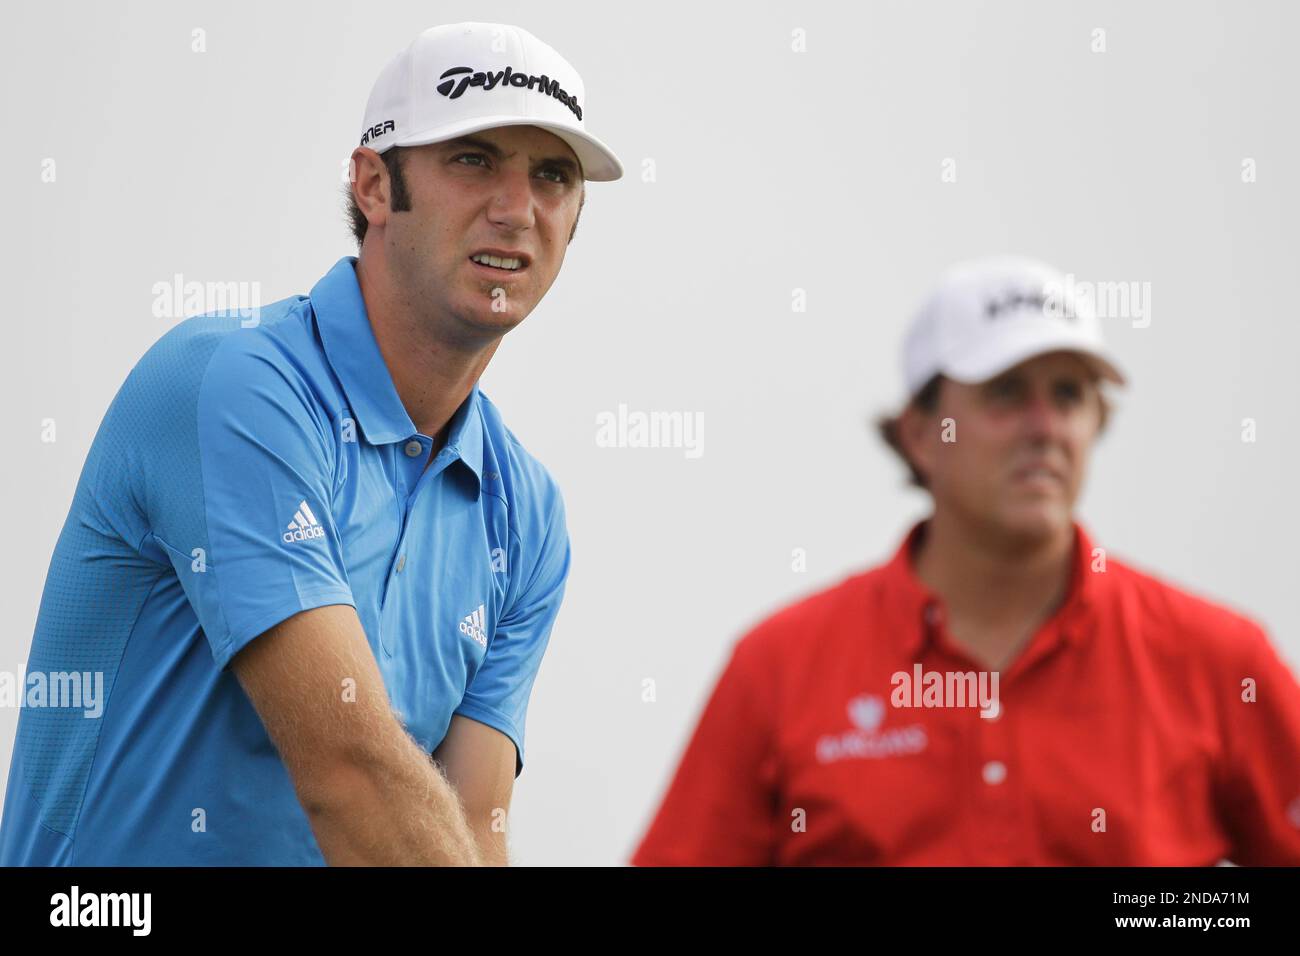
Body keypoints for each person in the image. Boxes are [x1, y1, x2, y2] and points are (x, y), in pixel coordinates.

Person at [0, 21, 622, 866]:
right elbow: (351, 775)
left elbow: (474, 827)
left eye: (552, 175)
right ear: (373, 185)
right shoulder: (234, 383)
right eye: (472, 159)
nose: (517, 209)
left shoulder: (528, 511)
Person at [631, 256, 1300, 865]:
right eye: (1007, 392)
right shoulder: (778, 667)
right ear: (921, 434)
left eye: (1069, 395)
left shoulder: (1218, 660)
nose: (1045, 426)